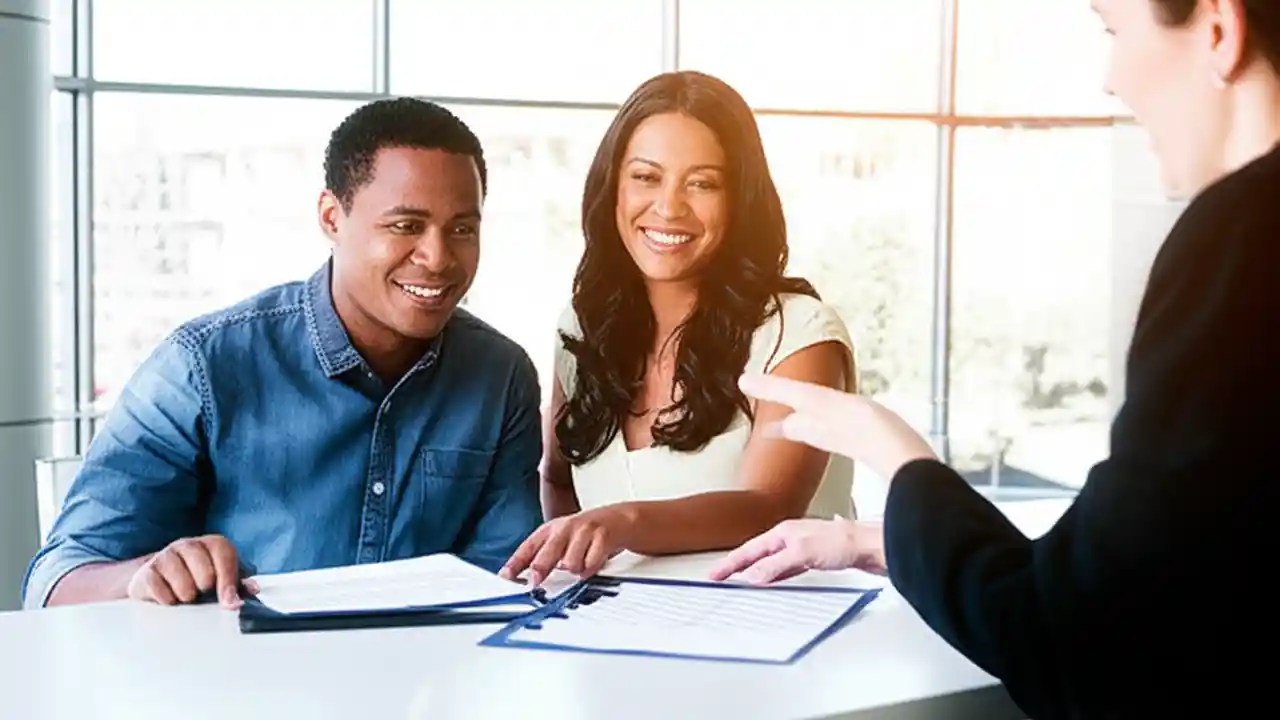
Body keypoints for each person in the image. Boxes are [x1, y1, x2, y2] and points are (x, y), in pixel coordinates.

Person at [710, 0, 1280, 716]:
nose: (1111, 79)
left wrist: (897, 457)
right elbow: (1162, 572)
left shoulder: (1236, 250)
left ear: (1219, 31)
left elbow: (1078, 641)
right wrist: (878, 540)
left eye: (1114, 30)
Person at [22, 98, 543, 611]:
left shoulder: (501, 377)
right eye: (406, 226)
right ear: (332, 217)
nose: (438, 257)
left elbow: (506, 579)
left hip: (435, 665)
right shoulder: (204, 367)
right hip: (233, 666)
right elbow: (55, 581)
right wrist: (143, 576)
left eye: (462, 229)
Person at [499, 71, 858, 588]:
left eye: (702, 183)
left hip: (790, 628)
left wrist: (624, 522)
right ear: (613, 188)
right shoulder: (581, 327)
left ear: (740, 198)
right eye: (646, 177)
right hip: (620, 629)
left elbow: (769, 507)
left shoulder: (798, 333)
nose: (669, 207)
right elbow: (558, 479)